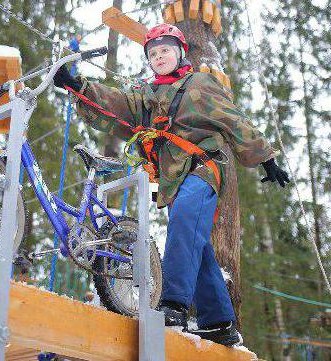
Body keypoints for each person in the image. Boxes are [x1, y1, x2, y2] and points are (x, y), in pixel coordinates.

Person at [53, 24, 289, 347]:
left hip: (204, 167)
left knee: (184, 221)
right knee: (195, 242)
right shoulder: (146, 99)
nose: (159, 56)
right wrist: (76, 86)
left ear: (179, 53)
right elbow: (114, 104)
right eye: (153, 53)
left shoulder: (200, 85)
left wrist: (265, 156)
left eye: (165, 50)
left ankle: (173, 304)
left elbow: (233, 120)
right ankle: (219, 321)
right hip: (174, 181)